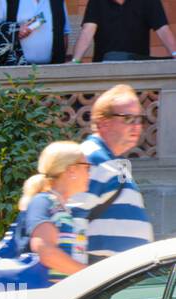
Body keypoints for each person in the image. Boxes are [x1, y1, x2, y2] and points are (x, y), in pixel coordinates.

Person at [72, 84, 154, 260]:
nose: (137, 126)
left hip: (118, 275)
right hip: (98, 277)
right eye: (128, 118)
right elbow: (70, 221)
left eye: (139, 119)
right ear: (103, 123)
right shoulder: (89, 158)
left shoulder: (111, 161)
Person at [14, 141, 91, 282]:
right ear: (71, 170)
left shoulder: (62, 208)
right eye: (87, 167)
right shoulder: (43, 202)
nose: (89, 173)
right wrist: (90, 276)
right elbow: (46, 251)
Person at [71, 0, 176, 62]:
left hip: (137, 69)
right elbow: (87, 32)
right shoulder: (97, 2)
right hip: (104, 71)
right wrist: (75, 61)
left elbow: (163, 31)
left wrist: (175, 54)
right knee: (112, 57)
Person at [0, 1, 70, 65]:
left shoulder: (59, 1)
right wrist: (14, 30)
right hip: (14, 74)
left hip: (50, 73)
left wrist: (61, 62)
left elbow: (64, 34)